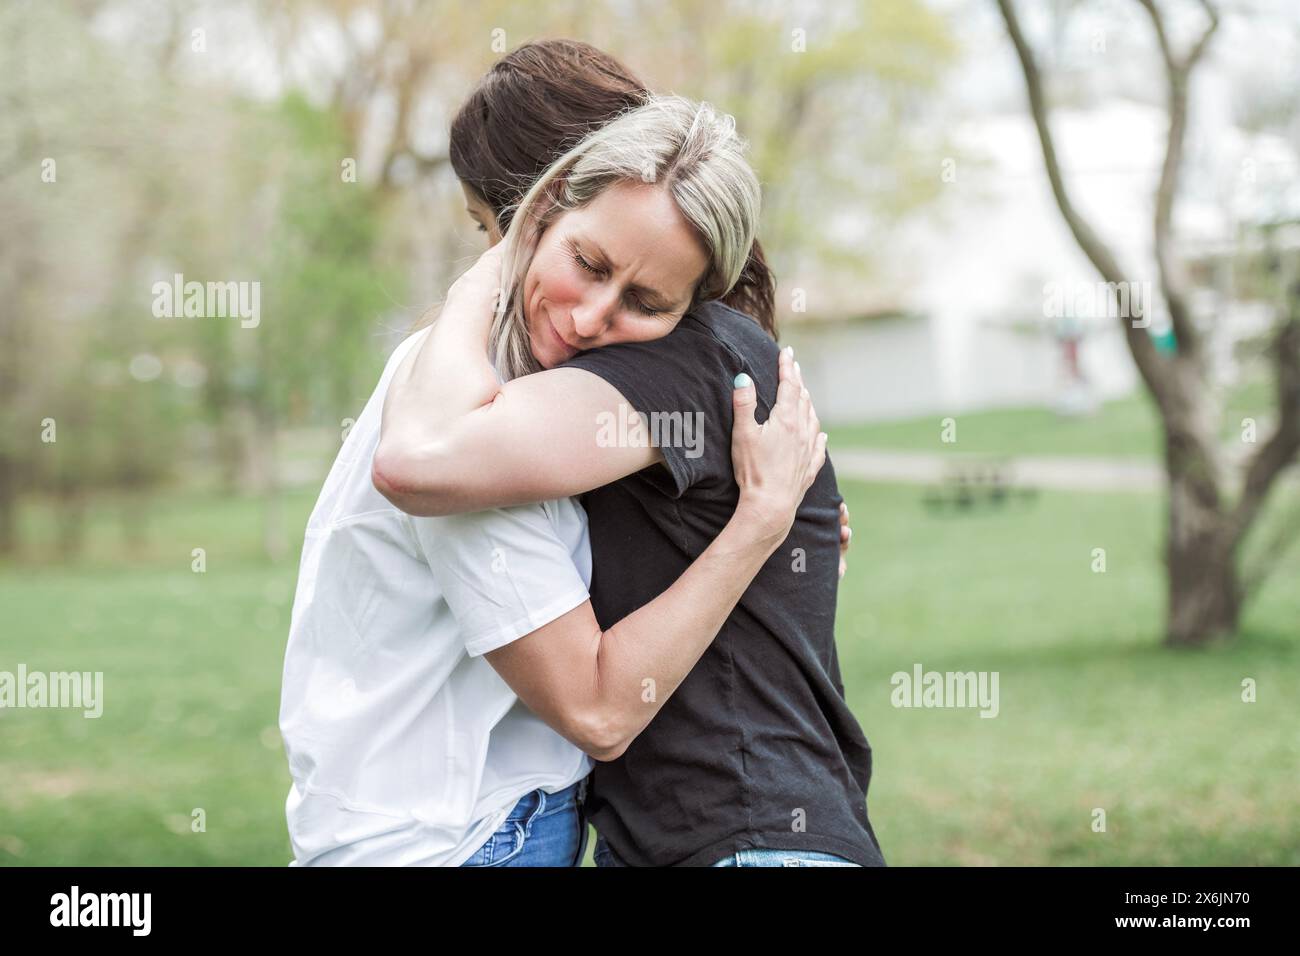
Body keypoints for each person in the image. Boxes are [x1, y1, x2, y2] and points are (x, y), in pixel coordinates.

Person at [280, 93, 824, 866]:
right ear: (538, 217)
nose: (590, 318)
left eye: (644, 303)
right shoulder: (469, 406)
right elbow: (600, 709)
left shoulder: (561, 408)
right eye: (588, 264)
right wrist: (757, 528)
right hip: (454, 836)